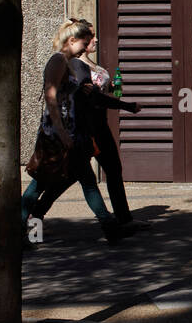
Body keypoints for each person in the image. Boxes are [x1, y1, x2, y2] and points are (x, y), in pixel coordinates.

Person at [21, 19, 124, 245]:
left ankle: (109, 226)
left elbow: (67, 96)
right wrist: (62, 133)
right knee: (39, 184)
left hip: (71, 133)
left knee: (85, 181)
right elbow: (51, 97)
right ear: (72, 40)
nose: (86, 47)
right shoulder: (58, 60)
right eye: (84, 42)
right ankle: (19, 230)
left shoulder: (68, 62)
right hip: (56, 135)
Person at [72, 20, 146, 229]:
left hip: (100, 126)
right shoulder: (78, 66)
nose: (95, 39)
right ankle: (27, 218)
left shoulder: (91, 64)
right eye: (91, 36)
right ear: (80, 40)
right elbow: (93, 99)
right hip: (88, 129)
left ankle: (123, 219)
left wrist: (112, 87)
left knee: (113, 170)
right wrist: (127, 105)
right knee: (61, 181)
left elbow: (100, 94)